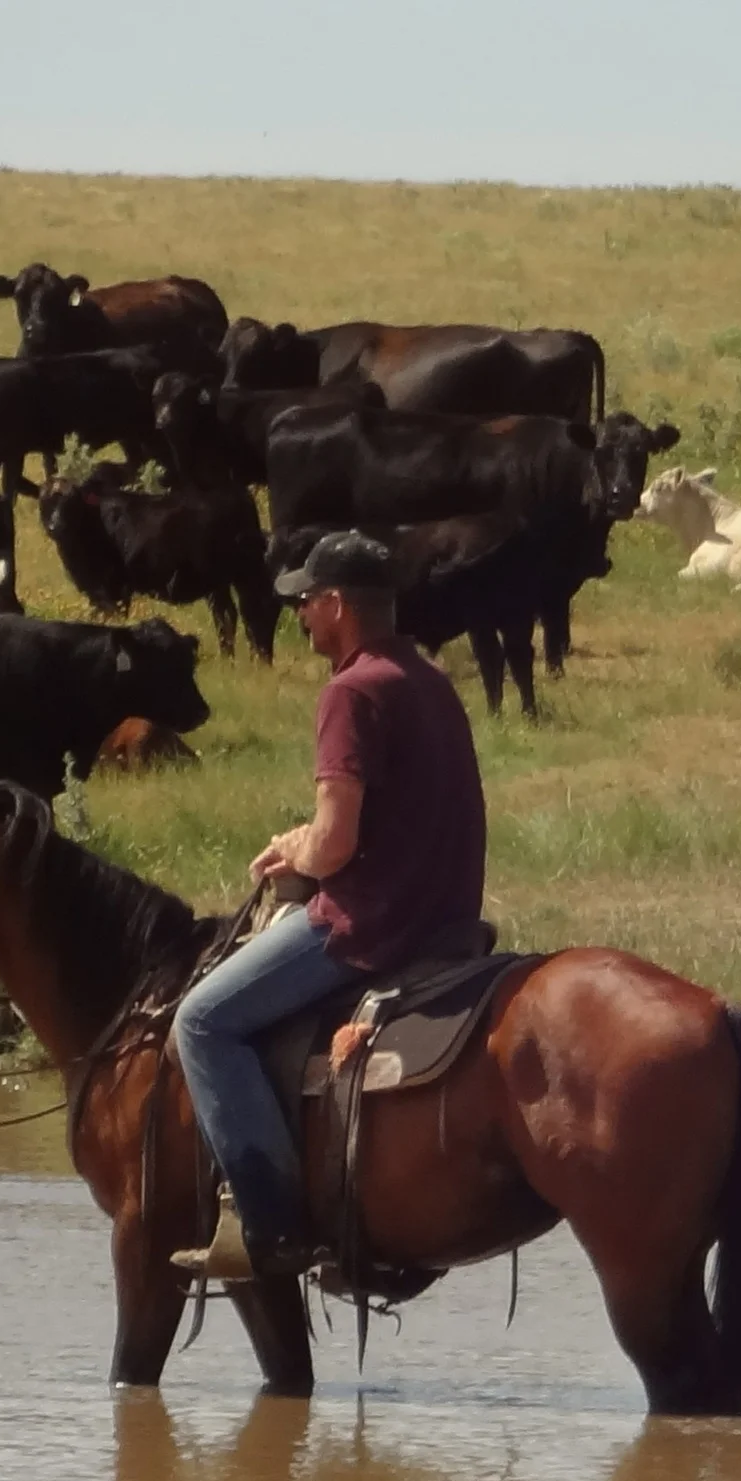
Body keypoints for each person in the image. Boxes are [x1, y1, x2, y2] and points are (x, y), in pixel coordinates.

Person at [169, 529, 488, 1280]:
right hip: (446, 917)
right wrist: (309, 840)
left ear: (337, 604)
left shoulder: (351, 690)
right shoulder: (430, 678)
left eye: (307, 603)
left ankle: (269, 1226)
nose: (300, 617)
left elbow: (337, 843)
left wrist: (299, 849)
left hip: (371, 922)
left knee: (203, 1020)